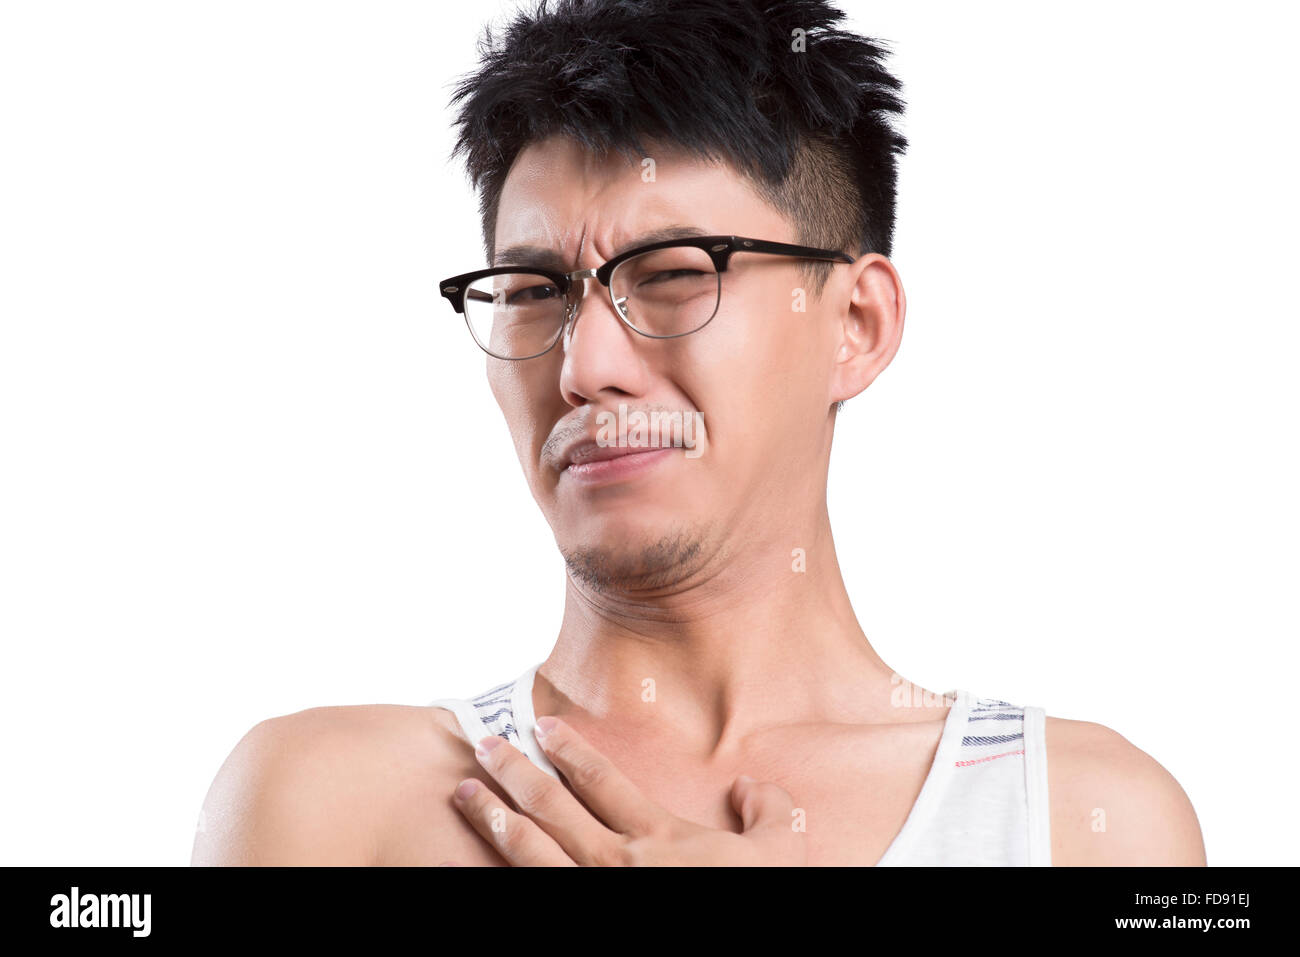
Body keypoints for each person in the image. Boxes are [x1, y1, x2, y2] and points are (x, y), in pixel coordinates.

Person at [192, 0, 1205, 866]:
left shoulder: (1080, 823)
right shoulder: (324, 809)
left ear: (854, 325)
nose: (583, 367)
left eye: (674, 272)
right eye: (536, 290)